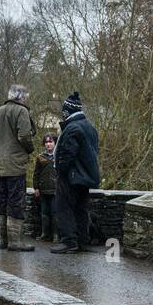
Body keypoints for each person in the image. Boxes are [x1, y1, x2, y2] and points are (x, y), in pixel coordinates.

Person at [0, 83, 37, 252]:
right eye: (26, 96)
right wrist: (29, 149)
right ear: (21, 96)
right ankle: (14, 242)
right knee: (15, 201)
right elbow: (25, 136)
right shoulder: (22, 111)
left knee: (2, 200)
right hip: (15, 164)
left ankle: (4, 240)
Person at [51, 91, 101, 255]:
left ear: (68, 111)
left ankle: (69, 241)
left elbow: (67, 155)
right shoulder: (89, 127)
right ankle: (82, 240)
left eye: (64, 111)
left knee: (64, 207)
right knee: (81, 208)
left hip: (71, 176)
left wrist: (60, 171)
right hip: (84, 176)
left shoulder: (72, 128)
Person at [32, 134, 58, 242]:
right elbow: (36, 174)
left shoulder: (59, 157)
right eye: (46, 142)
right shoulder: (40, 157)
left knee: (55, 213)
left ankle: (56, 235)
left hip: (55, 190)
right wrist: (36, 188)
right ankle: (45, 234)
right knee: (44, 213)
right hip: (43, 190)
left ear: (55, 143)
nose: (48, 144)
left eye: (51, 142)